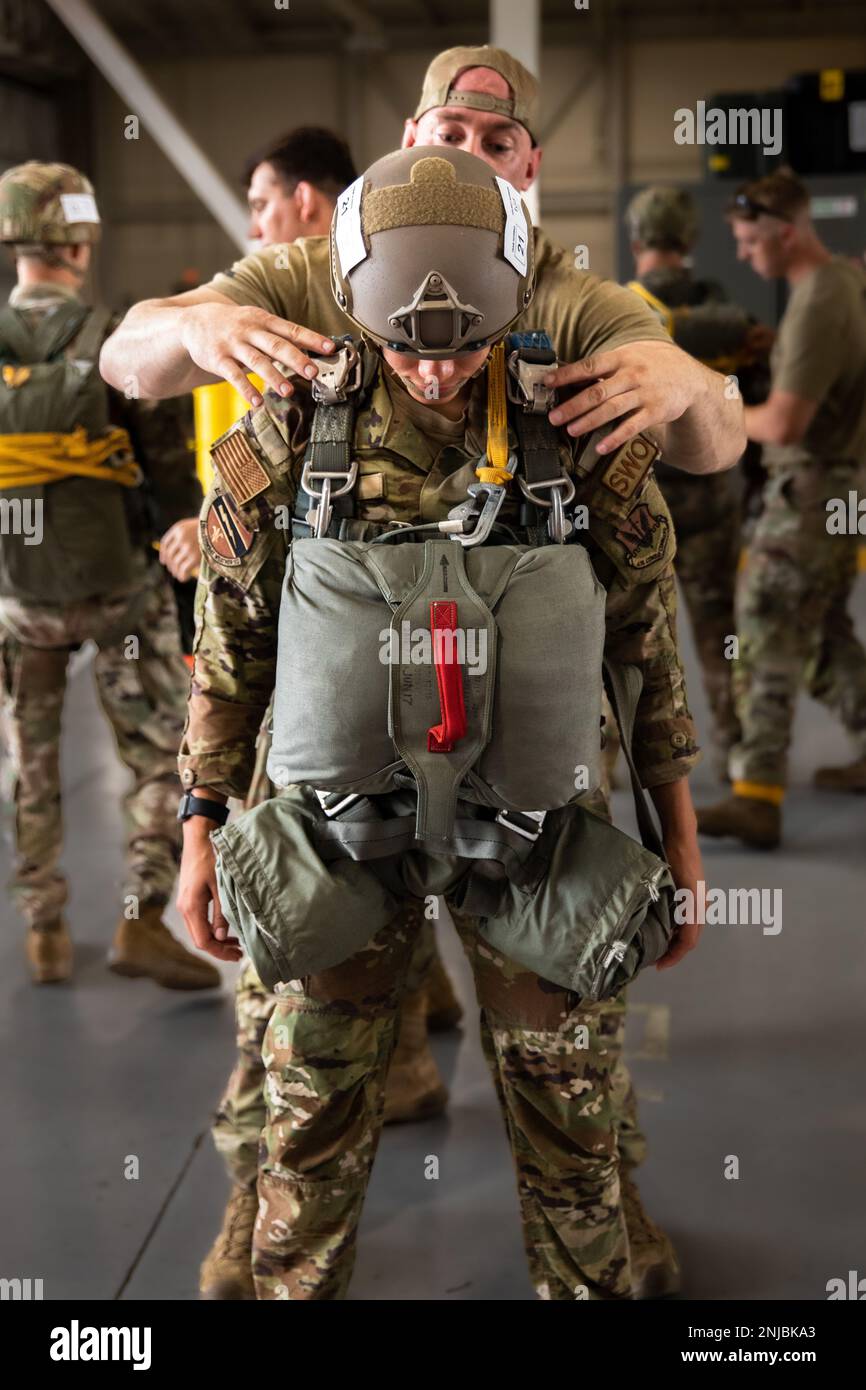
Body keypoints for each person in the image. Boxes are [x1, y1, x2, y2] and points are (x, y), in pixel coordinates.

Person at [100, 45, 744, 1301]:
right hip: (337, 820)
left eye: (461, 347)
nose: (435, 368)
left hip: (539, 821)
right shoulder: (300, 389)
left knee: (573, 1119)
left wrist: (679, 840)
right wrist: (195, 827)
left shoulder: (576, 389)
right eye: (406, 344)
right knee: (303, 1114)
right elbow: (231, 636)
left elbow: (643, 635)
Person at [189, 127, 462, 1303]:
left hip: (415, 747)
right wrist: (199, 815)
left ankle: (347, 1114)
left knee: (321, 982)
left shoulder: (501, 351)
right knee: (294, 995)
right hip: (301, 739)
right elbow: (138, 353)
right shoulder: (273, 335)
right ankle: (264, 1203)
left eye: (264, 202)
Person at [0, 161, 216, 989]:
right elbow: (168, 480)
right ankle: (143, 915)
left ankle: (45, 929)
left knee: (31, 760)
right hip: (119, 590)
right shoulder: (114, 341)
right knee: (165, 751)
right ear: (81, 243)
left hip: (21, 598)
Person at [698, 169, 866, 848]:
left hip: (806, 493)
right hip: (840, 492)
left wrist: (717, 406)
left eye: (747, 240)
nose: (742, 254)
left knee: (764, 624)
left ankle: (757, 795)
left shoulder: (820, 298)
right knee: (822, 635)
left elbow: (787, 424)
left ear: (784, 234)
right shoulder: (846, 285)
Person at [624, 185, 772, 774]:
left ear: (637, 240)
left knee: (628, 636)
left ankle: (609, 769)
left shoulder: (623, 309)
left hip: (636, 499)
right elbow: (750, 401)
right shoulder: (729, 313)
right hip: (713, 492)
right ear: (690, 240)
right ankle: (739, 755)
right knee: (720, 633)